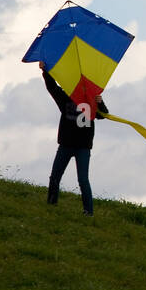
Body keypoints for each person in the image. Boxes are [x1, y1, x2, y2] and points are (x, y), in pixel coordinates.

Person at [39, 61, 108, 216]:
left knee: (83, 179)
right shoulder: (65, 98)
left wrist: (100, 102)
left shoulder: (91, 99)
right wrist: (45, 71)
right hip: (66, 145)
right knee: (55, 175)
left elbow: (103, 115)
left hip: (83, 147)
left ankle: (88, 212)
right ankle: (51, 203)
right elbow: (52, 87)